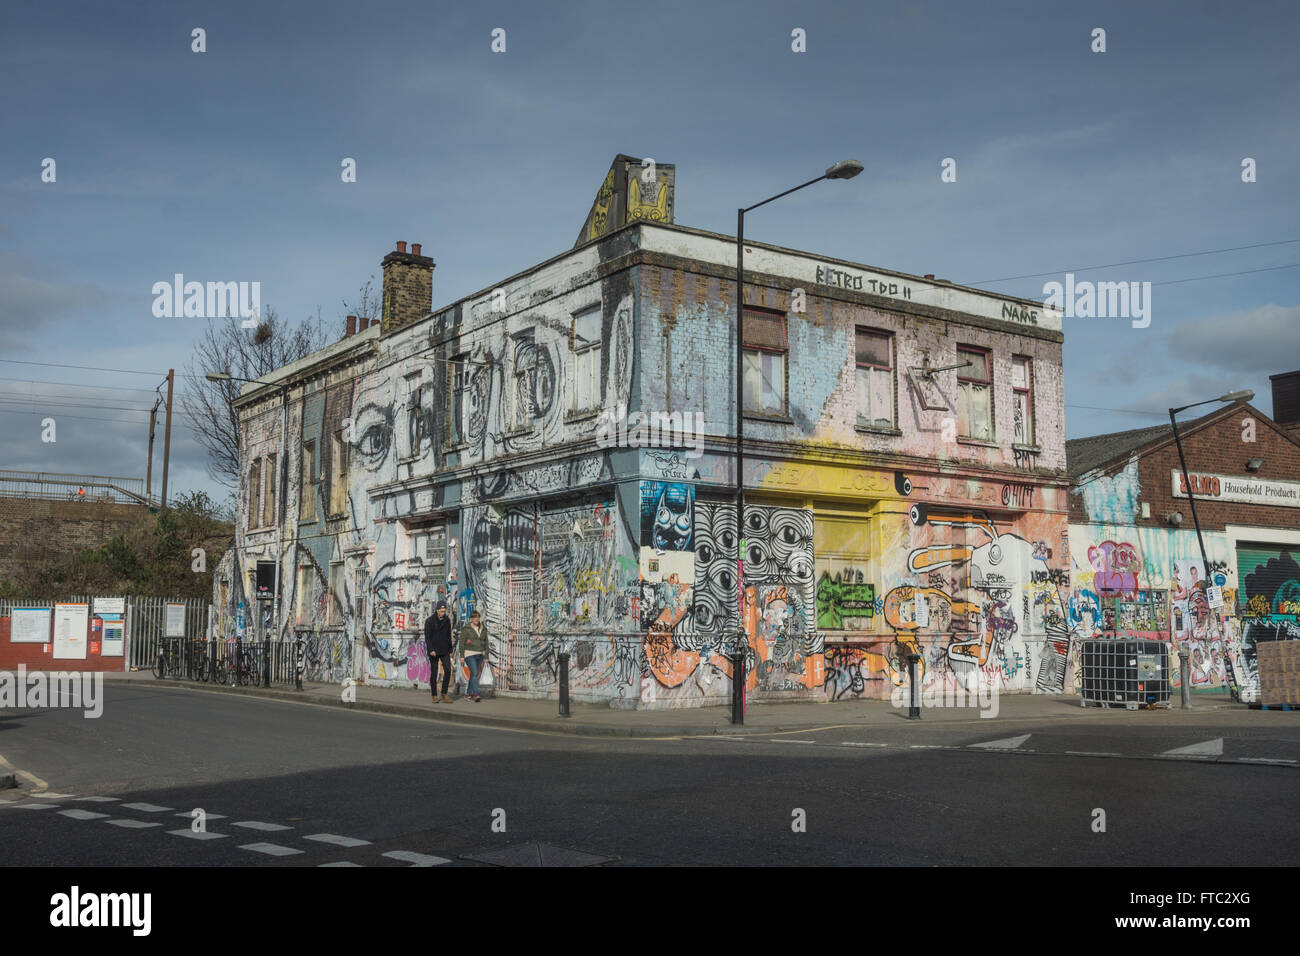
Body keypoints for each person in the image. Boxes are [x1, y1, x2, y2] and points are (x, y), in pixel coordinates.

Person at [424, 600, 454, 703]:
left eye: (444, 611)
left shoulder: (447, 620)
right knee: (434, 673)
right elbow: (427, 637)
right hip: (434, 651)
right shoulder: (429, 621)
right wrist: (431, 649)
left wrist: (450, 649)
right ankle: (434, 695)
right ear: (437, 610)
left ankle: (444, 693)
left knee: (448, 670)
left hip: (445, 649)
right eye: (441, 611)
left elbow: (448, 635)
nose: (443, 613)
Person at [459, 609, 488, 702]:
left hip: (480, 654)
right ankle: (475, 694)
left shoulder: (483, 628)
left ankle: (468, 694)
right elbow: (462, 643)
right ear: (471, 618)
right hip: (469, 654)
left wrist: (486, 656)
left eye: (478, 617)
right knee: (475, 673)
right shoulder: (466, 629)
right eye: (474, 617)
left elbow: (486, 643)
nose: (476, 619)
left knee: (473, 674)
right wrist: (462, 656)